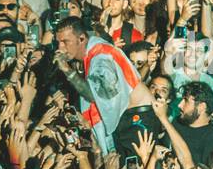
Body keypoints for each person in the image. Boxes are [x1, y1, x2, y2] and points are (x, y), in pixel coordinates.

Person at [53, 15, 152, 153]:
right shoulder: (93, 52)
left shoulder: (101, 57)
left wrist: (67, 70)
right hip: (127, 118)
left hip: (138, 117)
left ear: (81, 39)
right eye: (58, 42)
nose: (60, 47)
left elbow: (93, 94)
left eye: (65, 42)